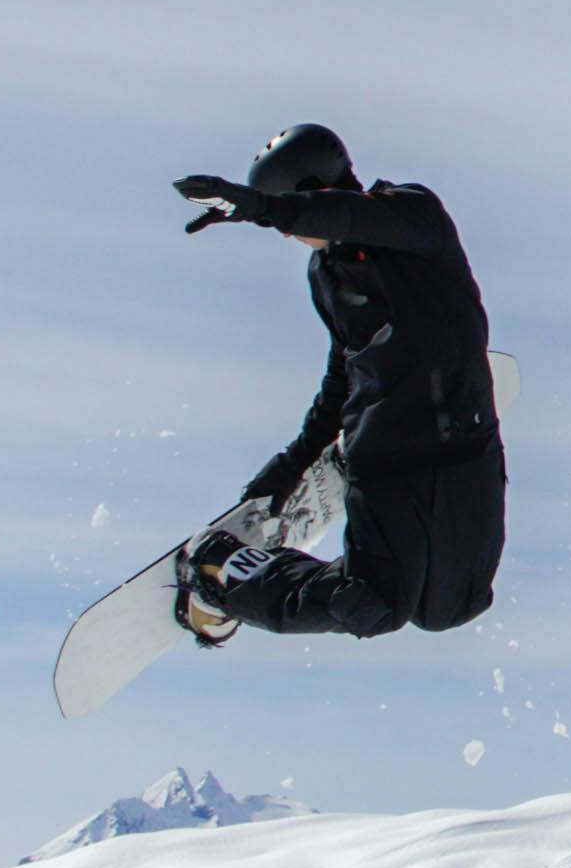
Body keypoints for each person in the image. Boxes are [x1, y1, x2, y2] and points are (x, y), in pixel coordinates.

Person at [166, 126, 504, 645]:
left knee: (448, 610)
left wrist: (261, 208)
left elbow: (346, 215)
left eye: (288, 214)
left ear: (309, 191)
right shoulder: (326, 272)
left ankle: (318, 564)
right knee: (369, 605)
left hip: (465, 450)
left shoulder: (413, 215)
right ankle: (227, 573)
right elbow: (344, 372)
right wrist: (294, 461)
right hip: (387, 462)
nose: (288, 234)